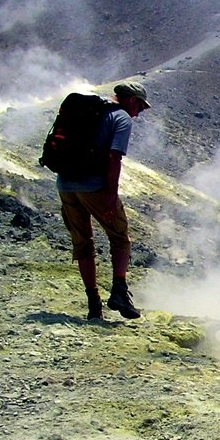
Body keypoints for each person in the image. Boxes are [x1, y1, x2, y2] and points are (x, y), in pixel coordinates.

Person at [56, 82, 150, 320]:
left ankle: (93, 304)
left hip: (65, 184)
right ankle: (119, 291)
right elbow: (115, 158)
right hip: (94, 186)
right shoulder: (121, 118)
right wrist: (110, 197)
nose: (138, 113)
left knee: (83, 243)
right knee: (119, 237)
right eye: (139, 106)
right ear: (130, 99)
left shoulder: (89, 110)